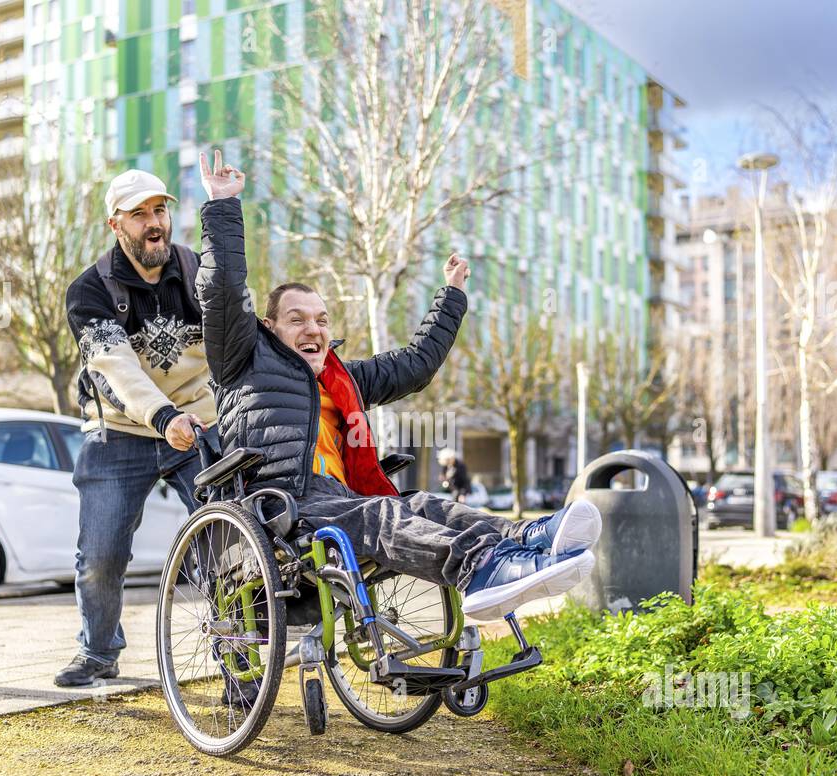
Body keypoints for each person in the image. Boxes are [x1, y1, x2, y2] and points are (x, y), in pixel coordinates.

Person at [194, 152, 600, 625]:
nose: (314, 329)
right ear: (269, 326)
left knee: (422, 504)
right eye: (297, 319)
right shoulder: (243, 360)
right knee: (381, 517)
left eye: (322, 320)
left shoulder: (342, 379)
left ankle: (528, 540)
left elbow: (416, 366)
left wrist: (451, 298)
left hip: (340, 497)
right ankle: (483, 568)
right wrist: (223, 205)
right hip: (282, 506)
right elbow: (221, 290)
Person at [55, 169, 216, 687]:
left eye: (160, 211)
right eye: (140, 213)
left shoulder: (197, 271)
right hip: (120, 429)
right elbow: (116, 367)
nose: (155, 224)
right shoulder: (89, 291)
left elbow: (237, 338)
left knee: (228, 539)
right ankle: (99, 652)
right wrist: (162, 417)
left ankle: (239, 652)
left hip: (197, 423)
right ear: (115, 223)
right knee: (100, 556)